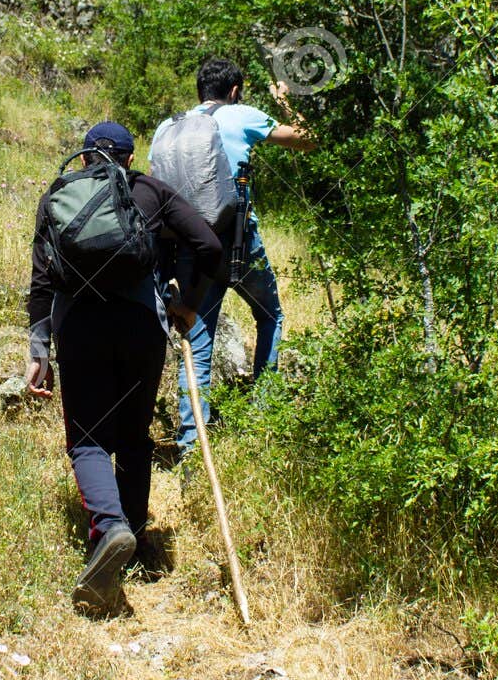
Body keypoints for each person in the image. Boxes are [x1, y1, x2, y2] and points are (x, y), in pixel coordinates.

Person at [25, 121, 222, 617]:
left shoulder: (58, 197)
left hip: (79, 330)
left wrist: (39, 349)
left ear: (86, 159)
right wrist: (189, 303)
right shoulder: (151, 191)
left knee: (88, 437)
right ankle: (135, 538)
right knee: (133, 436)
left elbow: (43, 282)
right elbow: (210, 246)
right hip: (140, 329)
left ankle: (109, 527)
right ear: (129, 160)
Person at [159, 58, 315, 455]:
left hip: (190, 249)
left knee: (199, 339)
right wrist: (284, 101)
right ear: (233, 91)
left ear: (199, 91)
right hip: (239, 242)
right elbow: (308, 138)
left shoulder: (169, 127)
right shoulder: (240, 114)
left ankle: (192, 444)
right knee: (270, 315)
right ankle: (264, 418)